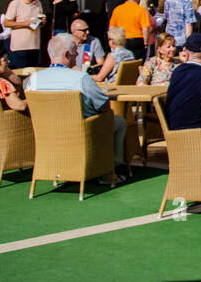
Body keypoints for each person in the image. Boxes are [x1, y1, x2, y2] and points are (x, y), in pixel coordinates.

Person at [27, 33, 128, 180]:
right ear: (67, 54)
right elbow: (104, 106)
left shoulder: (34, 79)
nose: (77, 55)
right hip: (81, 132)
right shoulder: (80, 79)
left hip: (47, 133)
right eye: (75, 51)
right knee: (119, 121)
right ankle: (109, 170)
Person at [3, 0, 45, 69]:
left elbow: (39, 21)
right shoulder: (15, 4)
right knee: (21, 73)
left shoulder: (38, 3)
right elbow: (6, 23)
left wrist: (42, 22)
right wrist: (24, 23)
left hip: (35, 46)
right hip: (20, 48)